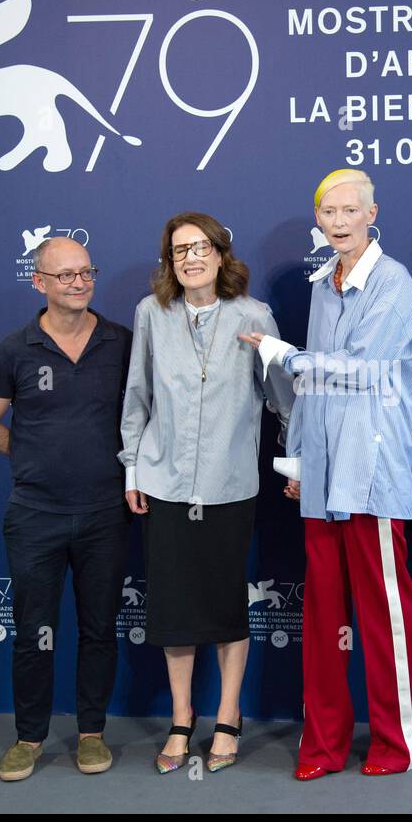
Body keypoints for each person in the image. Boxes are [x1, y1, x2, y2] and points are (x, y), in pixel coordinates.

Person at [238, 168, 412, 779]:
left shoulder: (394, 285)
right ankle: (320, 745)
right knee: (323, 621)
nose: (340, 221)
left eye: (351, 210)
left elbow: (359, 370)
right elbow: (314, 395)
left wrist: (281, 354)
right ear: (317, 219)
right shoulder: (324, 283)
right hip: (323, 474)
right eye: (329, 211)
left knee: (383, 615)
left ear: (373, 215)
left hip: (372, 473)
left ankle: (399, 744)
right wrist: (298, 459)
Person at [120, 212, 294, 774]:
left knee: (223, 604)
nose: (190, 258)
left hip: (228, 485)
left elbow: (283, 399)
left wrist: (296, 463)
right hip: (163, 480)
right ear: (169, 262)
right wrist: (132, 471)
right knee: (173, 607)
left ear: (221, 254)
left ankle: (227, 715)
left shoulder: (254, 315)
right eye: (178, 251)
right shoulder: (152, 313)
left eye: (200, 248)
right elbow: (137, 398)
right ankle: (180, 717)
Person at [0, 236, 132, 782]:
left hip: (107, 512)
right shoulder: (15, 349)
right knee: (33, 631)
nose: (79, 282)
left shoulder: (121, 343)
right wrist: (33, 455)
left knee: (99, 630)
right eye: (65, 275)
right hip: (35, 515)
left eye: (86, 272)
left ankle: (91, 734)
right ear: (39, 283)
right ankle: (29, 737)